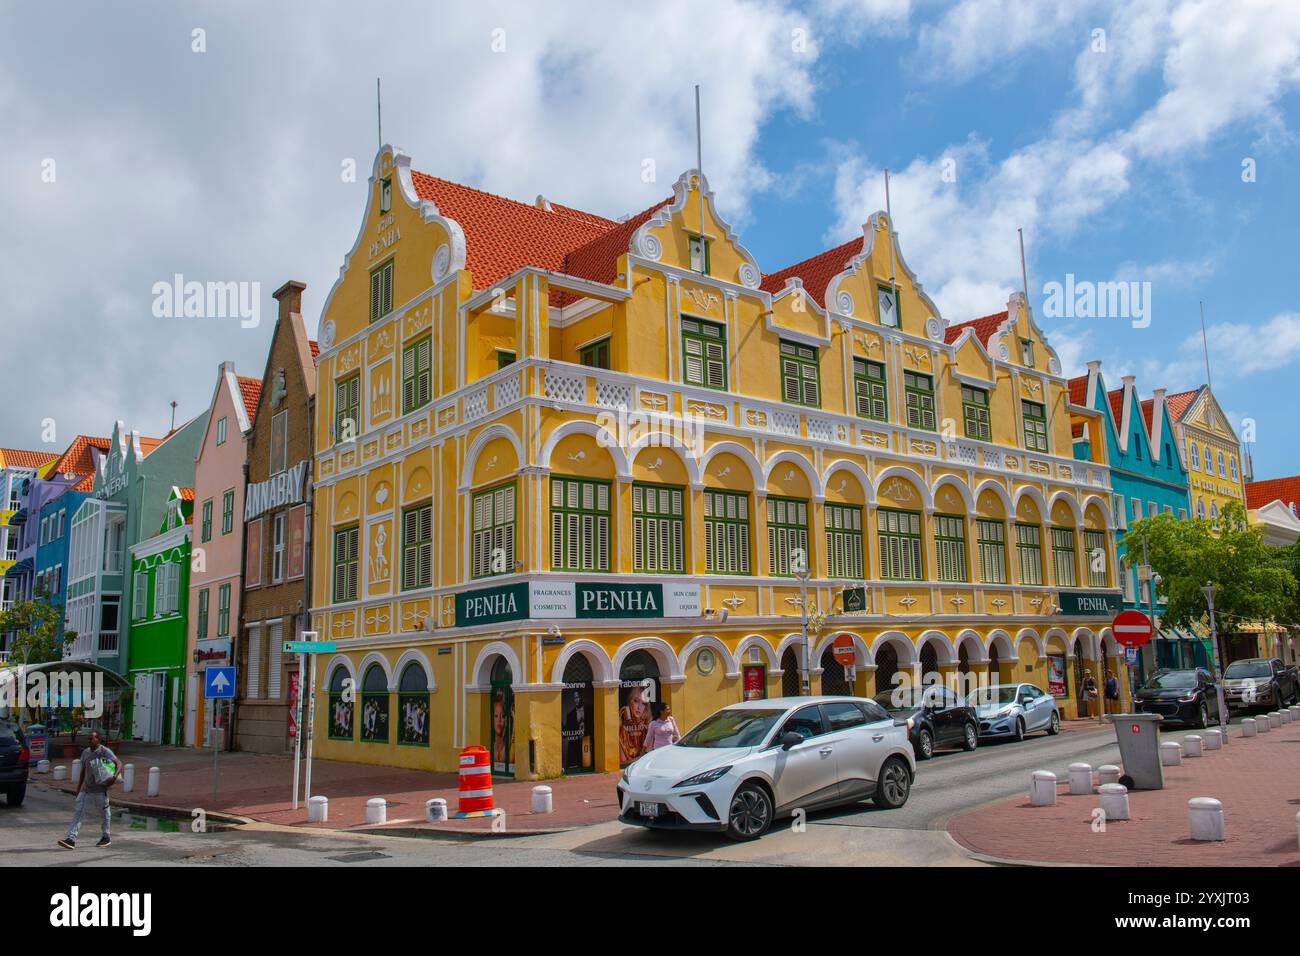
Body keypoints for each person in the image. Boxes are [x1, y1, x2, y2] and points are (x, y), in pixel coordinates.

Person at [57, 729, 118, 849]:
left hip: (100, 790)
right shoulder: (85, 752)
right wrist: (79, 788)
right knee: (78, 813)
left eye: (91, 738)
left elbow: (119, 763)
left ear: (97, 739)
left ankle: (106, 837)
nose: (89, 741)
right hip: (87, 789)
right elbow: (83, 770)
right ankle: (71, 839)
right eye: (88, 738)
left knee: (105, 814)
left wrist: (114, 777)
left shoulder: (104, 751)